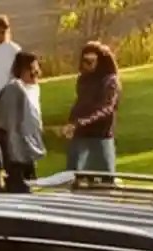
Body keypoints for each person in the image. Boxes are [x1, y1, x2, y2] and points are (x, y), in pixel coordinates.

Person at [61, 41, 122, 175]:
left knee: (104, 179)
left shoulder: (110, 81)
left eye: (91, 61)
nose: (86, 65)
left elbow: (106, 109)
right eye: (84, 61)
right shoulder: (83, 79)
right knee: (75, 177)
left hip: (100, 136)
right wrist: (71, 122)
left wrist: (80, 123)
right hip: (81, 135)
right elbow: (80, 103)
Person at [0, 51, 46, 193]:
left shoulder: (34, 89)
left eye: (37, 69)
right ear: (21, 70)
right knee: (18, 191)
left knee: (31, 188)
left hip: (28, 149)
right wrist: (14, 151)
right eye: (31, 70)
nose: (36, 73)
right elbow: (8, 122)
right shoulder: (14, 89)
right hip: (15, 151)